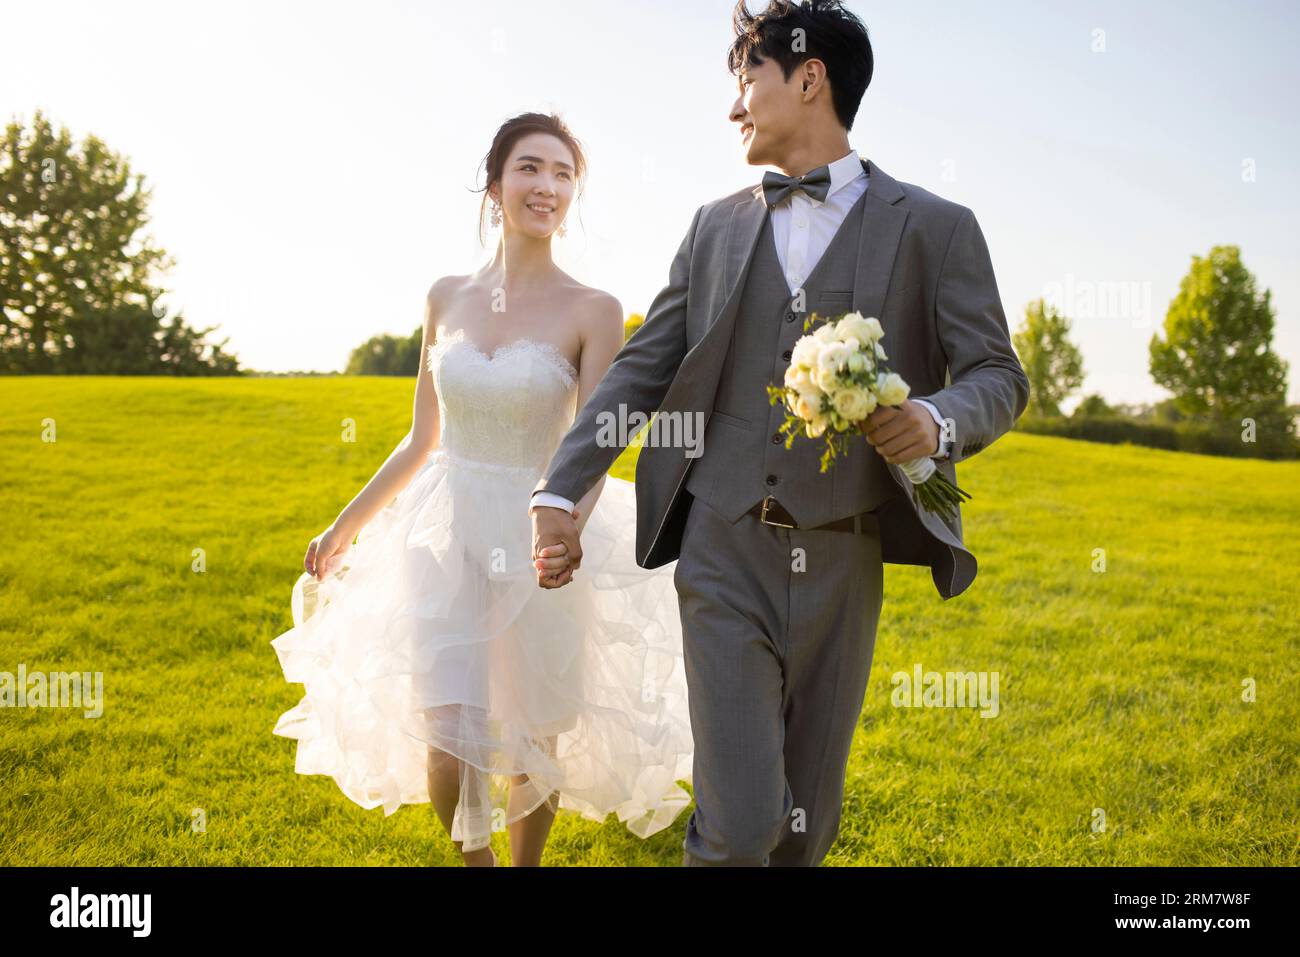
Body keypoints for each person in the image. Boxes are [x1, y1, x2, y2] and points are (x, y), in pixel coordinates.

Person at [529, 0, 1031, 865]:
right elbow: (644, 368)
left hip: (846, 554)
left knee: (807, 828)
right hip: (722, 549)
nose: (734, 107)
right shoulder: (714, 226)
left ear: (809, 77)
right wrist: (560, 489)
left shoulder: (937, 228)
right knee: (741, 823)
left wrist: (935, 418)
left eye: (746, 80)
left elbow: (1001, 375)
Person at [271, 112, 694, 867]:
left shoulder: (594, 309)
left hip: (541, 529)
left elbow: (595, 442)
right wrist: (346, 527)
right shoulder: (445, 297)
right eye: (531, 168)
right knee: (447, 738)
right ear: (495, 184)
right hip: (445, 528)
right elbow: (420, 437)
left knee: (535, 738)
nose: (548, 186)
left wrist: (565, 524)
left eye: (565, 174)